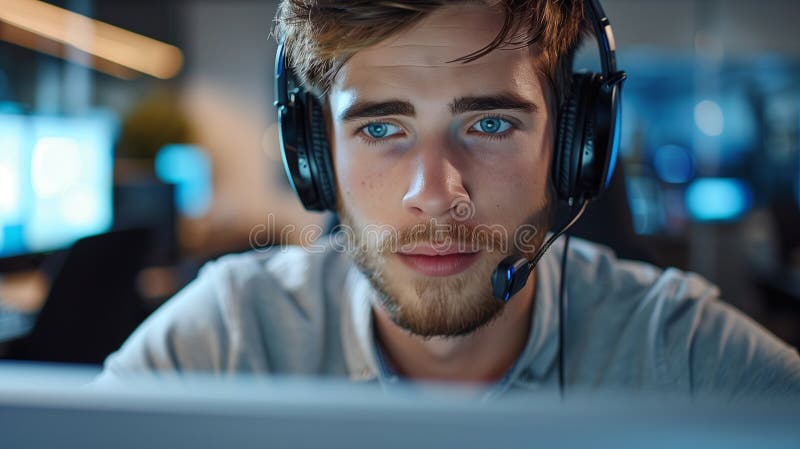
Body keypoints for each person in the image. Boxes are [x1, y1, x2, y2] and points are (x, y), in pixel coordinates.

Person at [96, 0, 800, 397]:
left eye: (490, 123)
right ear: (316, 157)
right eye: (381, 127)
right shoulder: (223, 341)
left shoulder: (680, 354)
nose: (435, 194)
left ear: (575, 147)